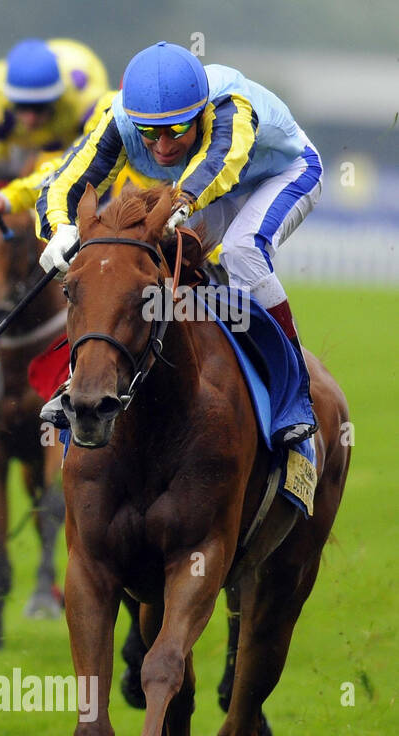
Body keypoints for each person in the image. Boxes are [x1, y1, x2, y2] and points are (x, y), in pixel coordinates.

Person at [33, 42, 320, 445]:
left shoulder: (229, 107)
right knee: (129, 259)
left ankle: (294, 392)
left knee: (242, 250)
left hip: (281, 174)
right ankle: (82, 379)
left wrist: (183, 202)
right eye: (149, 133)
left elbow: (220, 161)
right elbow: (68, 180)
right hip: (208, 191)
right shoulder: (119, 119)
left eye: (178, 130)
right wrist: (59, 228)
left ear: (200, 112)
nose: (163, 146)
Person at [0, 37, 109, 220]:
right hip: (16, 141)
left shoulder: (85, 100)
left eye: (39, 107)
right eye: (22, 106)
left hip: (71, 131)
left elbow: (100, 166)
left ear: (57, 98)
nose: (31, 118)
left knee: (89, 180)